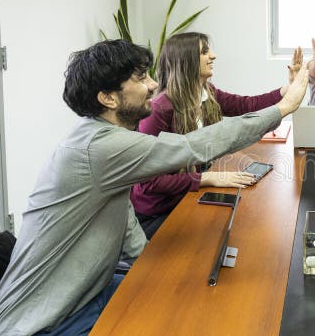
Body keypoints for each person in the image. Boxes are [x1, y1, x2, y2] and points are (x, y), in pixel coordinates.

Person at [0, 40, 309, 336]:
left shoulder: (105, 142)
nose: (152, 85)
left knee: (181, 307)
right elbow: (193, 147)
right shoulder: (99, 148)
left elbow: (125, 219)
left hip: (79, 306)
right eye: (140, 78)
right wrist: (283, 107)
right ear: (108, 98)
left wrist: (161, 268)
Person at [130, 32, 303, 238]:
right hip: (158, 212)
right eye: (204, 51)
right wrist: (208, 178)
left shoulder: (207, 92)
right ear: (186, 60)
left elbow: (245, 105)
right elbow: (150, 183)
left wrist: (288, 89)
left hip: (187, 195)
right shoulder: (160, 109)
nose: (213, 56)